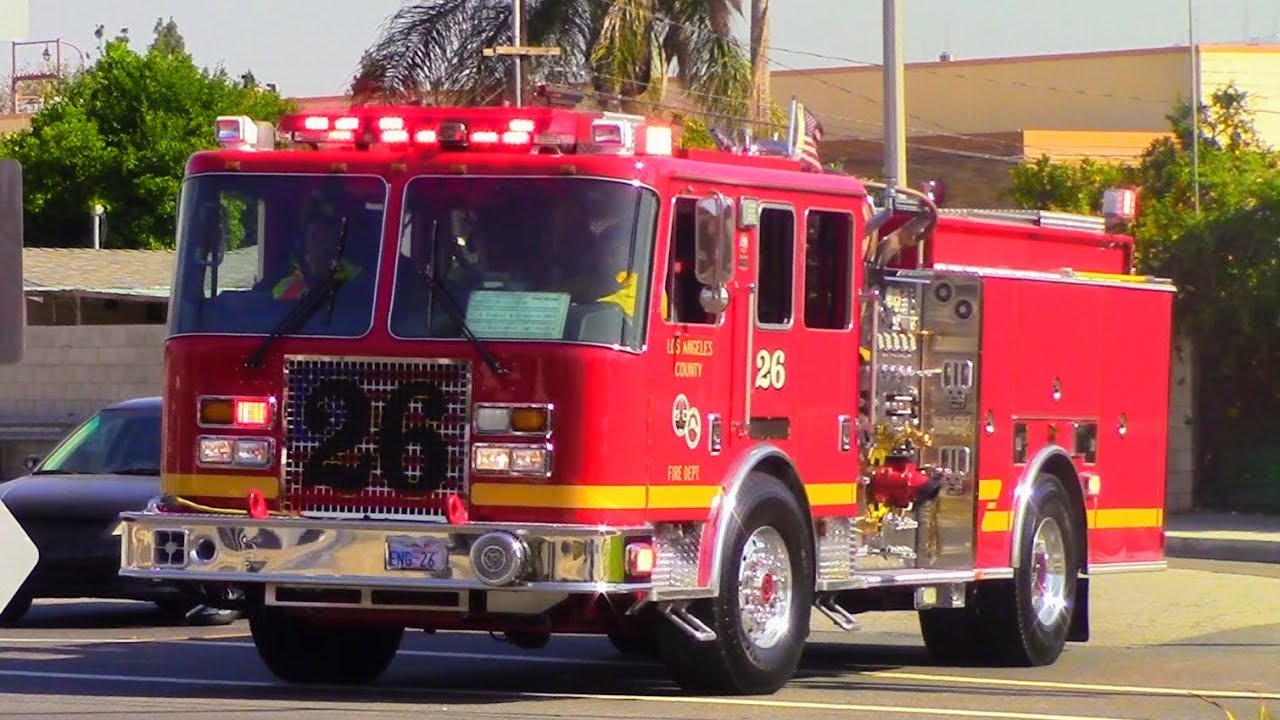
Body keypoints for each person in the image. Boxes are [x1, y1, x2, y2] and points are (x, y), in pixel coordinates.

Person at [272, 214, 363, 300]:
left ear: (336, 242)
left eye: (325, 238)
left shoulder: (354, 276)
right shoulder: (288, 282)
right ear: (305, 242)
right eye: (314, 236)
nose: (320, 245)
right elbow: (271, 304)